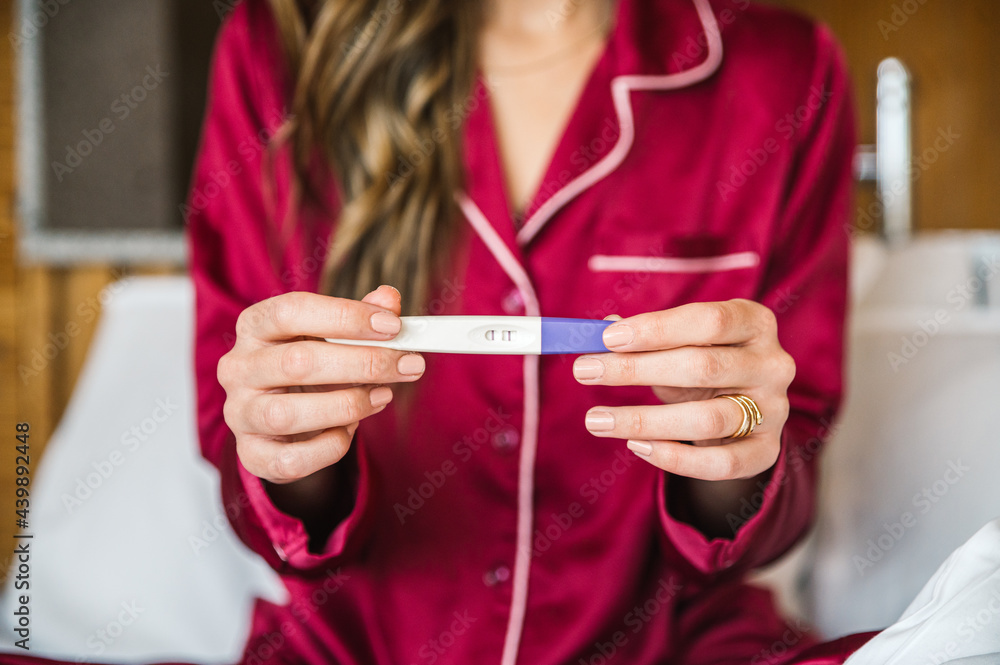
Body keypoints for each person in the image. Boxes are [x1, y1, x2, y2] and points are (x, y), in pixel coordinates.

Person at [4, 0, 876, 663]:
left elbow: (785, 468)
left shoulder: (781, 71)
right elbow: (251, 484)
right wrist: (291, 457)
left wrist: (740, 456)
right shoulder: (278, 52)